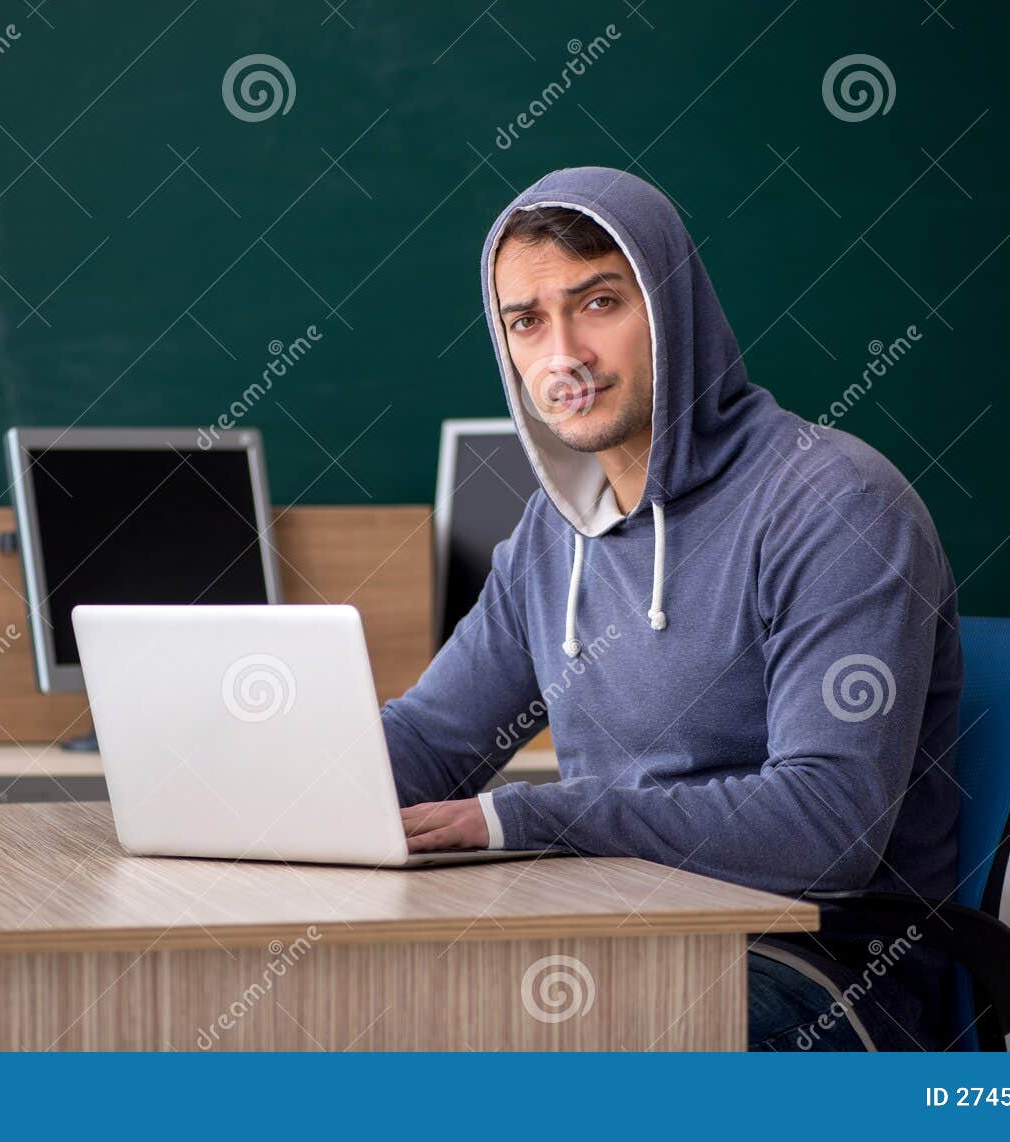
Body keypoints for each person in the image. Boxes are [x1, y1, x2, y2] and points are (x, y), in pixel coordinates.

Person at [383, 166, 964, 1051]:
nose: (564, 355)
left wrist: (529, 815)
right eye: (527, 322)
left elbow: (825, 825)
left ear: (672, 310)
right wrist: (270, 786)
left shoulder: (834, 503)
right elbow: (434, 740)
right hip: (615, 931)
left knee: (493, 1034)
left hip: (819, 971)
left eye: (599, 303)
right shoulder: (553, 530)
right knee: (364, 1004)